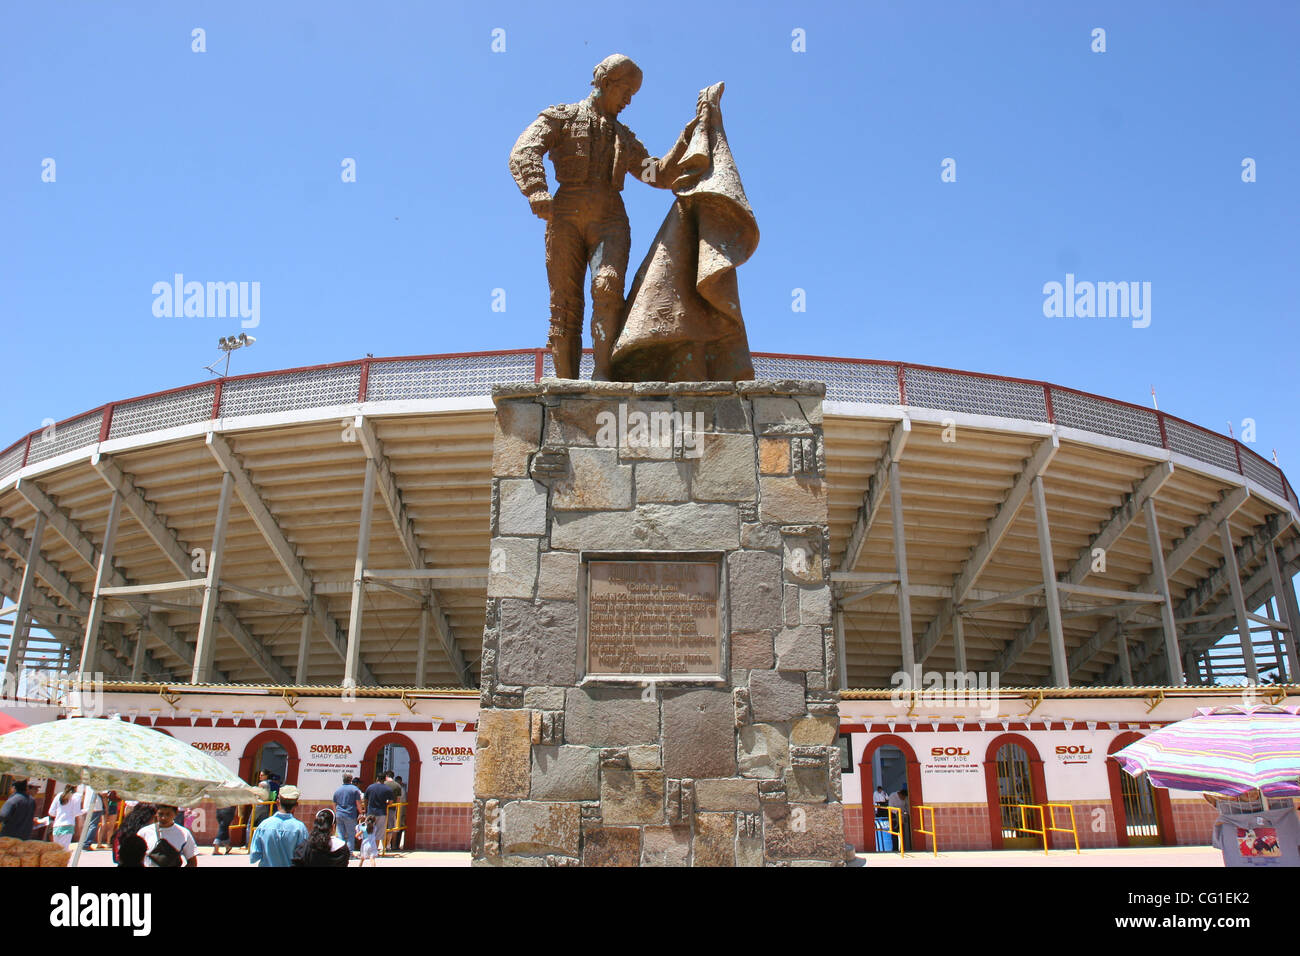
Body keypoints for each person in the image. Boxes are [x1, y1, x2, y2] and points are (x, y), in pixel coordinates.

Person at [509, 54, 705, 380]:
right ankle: (566, 383)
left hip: (610, 219)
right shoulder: (563, 117)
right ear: (605, 83)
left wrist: (689, 137)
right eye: (626, 91)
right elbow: (525, 149)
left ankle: (603, 376)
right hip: (565, 216)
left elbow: (657, 174)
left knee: (608, 286)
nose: (629, 100)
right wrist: (536, 189)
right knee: (565, 306)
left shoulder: (624, 138)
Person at [249, 784, 308, 867]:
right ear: (296, 805)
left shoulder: (263, 826)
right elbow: (304, 857)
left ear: (277, 802)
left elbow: (254, 856)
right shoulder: (300, 829)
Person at [44, 784, 83, 850]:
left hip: (56, 826)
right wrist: (85, 810)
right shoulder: (76, 796)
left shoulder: (59, 795)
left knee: (57, 850)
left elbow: (51, 812)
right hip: (68, 825)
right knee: (64, 851)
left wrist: (60, 813)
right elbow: (76, 812)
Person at [332, 773, 363, 851]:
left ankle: (340, 852)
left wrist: (336, 813)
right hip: (350, 814)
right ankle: (349, 853)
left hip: (339, 814)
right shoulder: (355, 790)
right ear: (351, 780)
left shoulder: (338, 790)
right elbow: (358, 803)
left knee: (340, 834)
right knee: (350, 835)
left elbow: (334, 803)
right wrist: (361, 813)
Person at [362, 773, 392, 854]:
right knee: (378, 833)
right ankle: (375, 851)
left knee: (369, 831)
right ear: (385, 780)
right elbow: (390, 801)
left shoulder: (370, 787)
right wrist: (386, 803)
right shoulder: (387, 789)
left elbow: (365, 799)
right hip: (382, 813)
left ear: (377, 779)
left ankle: (367, 850)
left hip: (370, 812)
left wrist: (365, 809)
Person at [78, 785, 104, 850]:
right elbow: (103, 793)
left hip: (87, 804)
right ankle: (86, 844)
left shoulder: (87, 783)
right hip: (96, 804)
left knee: (88, 824)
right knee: (93, 825)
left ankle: (83, 842)